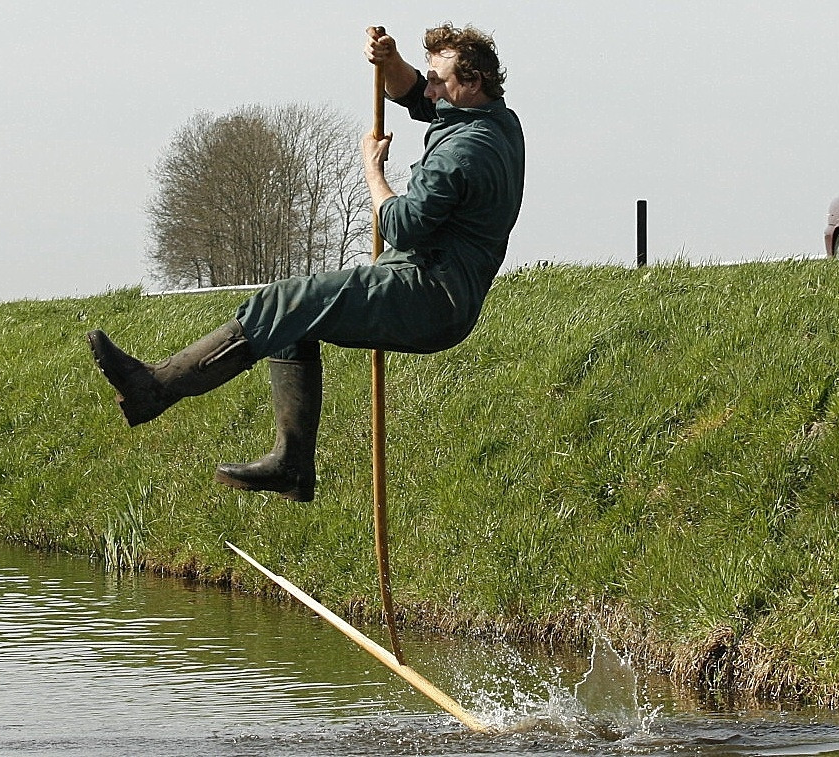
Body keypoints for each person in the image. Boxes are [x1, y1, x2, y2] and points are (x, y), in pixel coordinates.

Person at [87, 23, 525, 502]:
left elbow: (399, 225)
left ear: (473, 81)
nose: (433, 87)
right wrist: (389, 60)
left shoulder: (464, 151)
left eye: (441, 79)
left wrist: (373, 172)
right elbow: (416, 94)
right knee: (295, 319)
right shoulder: (491, 119)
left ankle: (154, 387)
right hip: (427, 287)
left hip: (428, 295)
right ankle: (291, 465)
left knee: (283, 301)